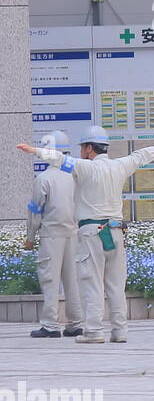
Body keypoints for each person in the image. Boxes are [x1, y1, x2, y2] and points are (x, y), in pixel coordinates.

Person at [18, 128, 154, 344]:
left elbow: (57, 161)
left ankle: (93, 331)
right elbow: (140, 157)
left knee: (92, 281)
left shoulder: (84, 168)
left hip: (90, 232)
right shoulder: (119, 166)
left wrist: (34, 151)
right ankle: (119, 331)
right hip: (115, 231)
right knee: (115, 284)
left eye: (82, 147)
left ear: (88, 148)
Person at [24, 130, 84, 338]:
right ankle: (75, 323)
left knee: (49, 279)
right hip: (73, 234)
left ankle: (50, 325)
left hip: (51, 235)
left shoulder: (44, 178)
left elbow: (35, 209)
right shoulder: (76, 176)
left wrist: (30, 237)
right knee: (72, 280)